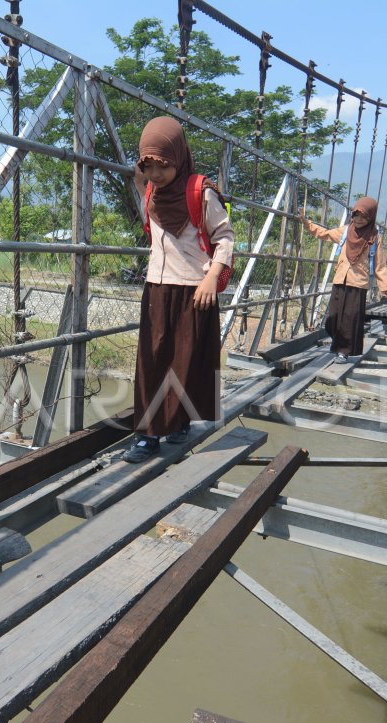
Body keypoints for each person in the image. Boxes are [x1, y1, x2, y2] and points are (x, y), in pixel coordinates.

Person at [122, 116, 234, 464]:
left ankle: (179, 421)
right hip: (157, 289)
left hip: (194, 292)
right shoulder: (152, 192)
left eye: (163, 165)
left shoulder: (202, 193)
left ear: (180, 158)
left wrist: (211, 279)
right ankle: (148, 436)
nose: (155, 174)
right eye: (149, 166)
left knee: (185, 363)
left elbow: (225, 237)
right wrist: (142, 168)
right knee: (151, 362)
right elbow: (140, 181)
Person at [299, 197, 387, 364]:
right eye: (356, 215)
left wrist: (384, 285)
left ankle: (343, 351)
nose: (359, 219)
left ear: (371, 217)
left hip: (358, 283)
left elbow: (380, 264)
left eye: (363, 216)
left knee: (350, 319)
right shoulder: (345, 231)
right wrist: (306, 223)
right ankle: (338, 342)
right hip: (340, 279)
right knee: (333, 317)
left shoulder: (375, 237)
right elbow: (324, 233)